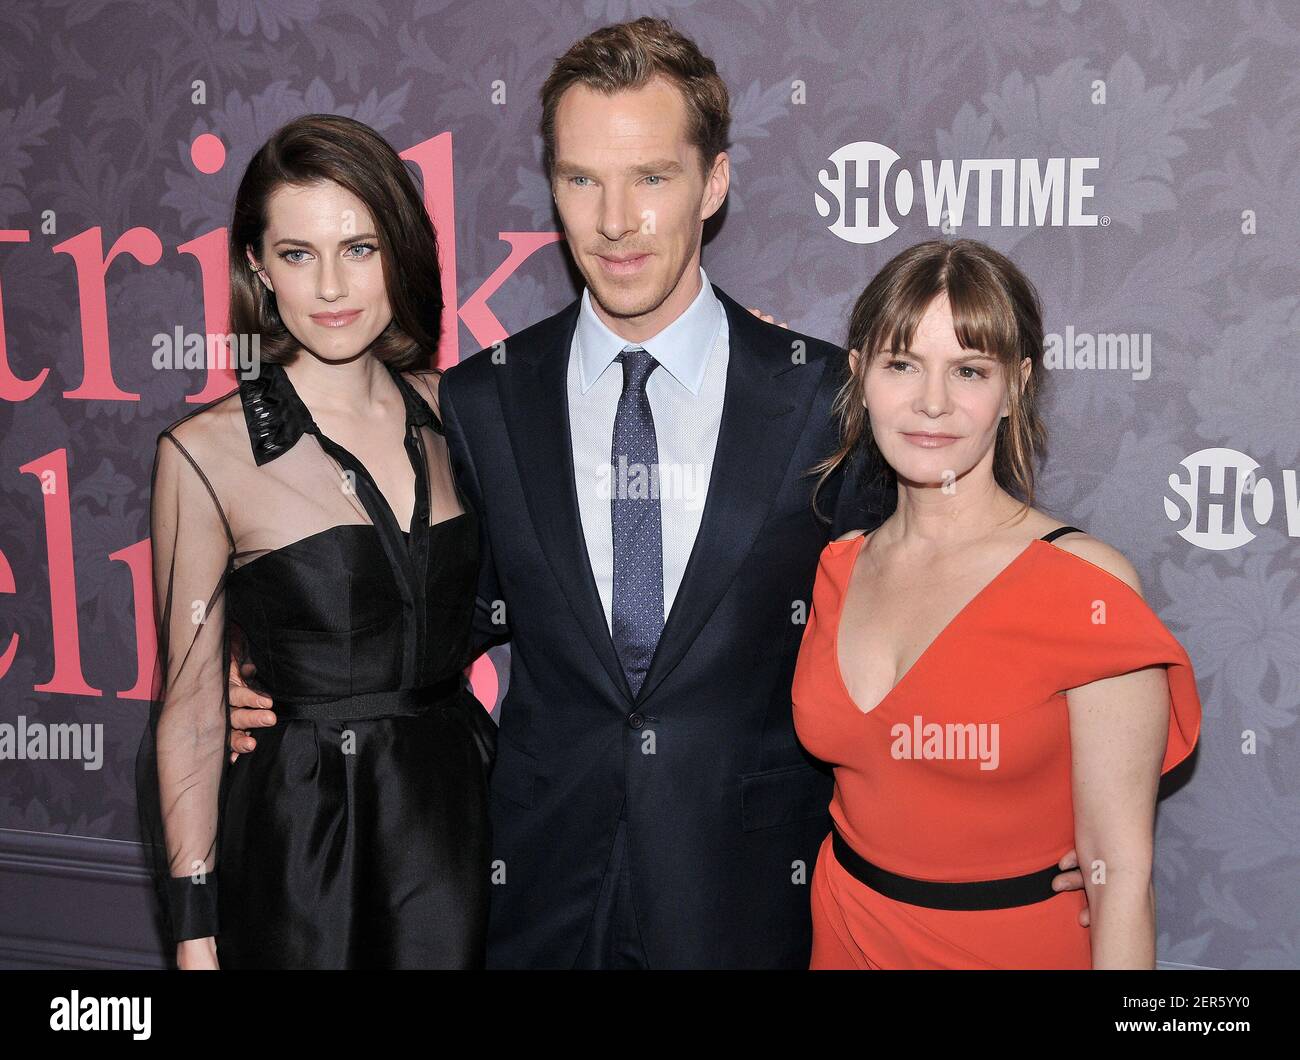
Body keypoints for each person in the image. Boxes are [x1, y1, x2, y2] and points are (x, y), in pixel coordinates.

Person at [229, 19, 1088, 969]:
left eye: (652, 178)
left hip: (755, 891)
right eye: (581, 179)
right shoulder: (484, 398)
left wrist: (1030, 811)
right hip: (536, 891)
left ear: (713, 183)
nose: (613, 220)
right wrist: (296, 685)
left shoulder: (822, 399)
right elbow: (434, 612)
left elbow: (922, 609)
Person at [134, 113, 496, 969]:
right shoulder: (205, 453)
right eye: (298, 254)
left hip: (456, 821)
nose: (332, 287)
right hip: (297, 837)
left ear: (400, 253)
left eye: (360, 248)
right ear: (257, 267)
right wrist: (194, 934)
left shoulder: (463, 414)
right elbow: (188, 717)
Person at [791, 238, 1202, 969]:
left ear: (1016, 388)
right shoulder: (839, 567)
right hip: (844, 933)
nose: (932, 402)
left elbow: (1120, 878)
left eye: (970, 370)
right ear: (859, 377)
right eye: (901, 365)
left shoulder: (1084, 587)